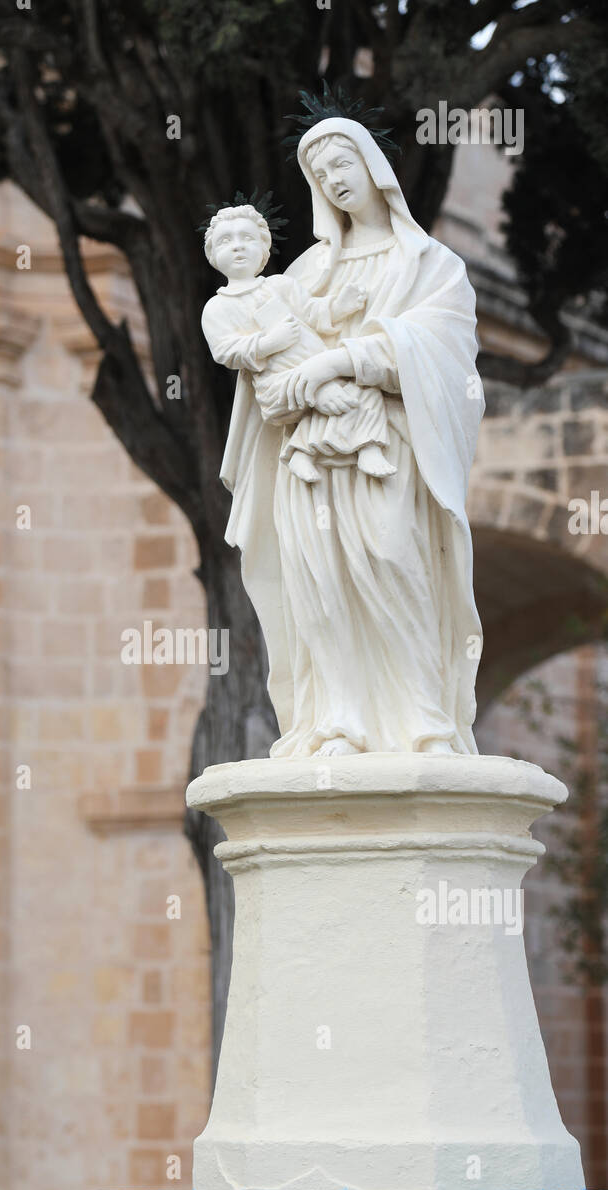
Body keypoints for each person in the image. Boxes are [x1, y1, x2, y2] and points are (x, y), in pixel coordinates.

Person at [215, 118, 484, 758]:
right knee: (319, 581)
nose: (336, 180)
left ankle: (425, 720)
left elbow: (447, 356)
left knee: (394, 559)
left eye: (344, 163)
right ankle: (338, 720)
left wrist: (340, 361)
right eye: (322, 172)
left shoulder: (430, 264)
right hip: (306, 451)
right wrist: (300, 379)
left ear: (373, 167)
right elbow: (259, 363)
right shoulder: (304, 273)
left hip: (387, 450)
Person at [201, 203, 394, 484]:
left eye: (247, 238)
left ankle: (363, 447)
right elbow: (226, 352)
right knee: (320, 399)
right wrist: (268, 343)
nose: (238, 247)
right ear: (213, 255)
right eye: (226, 241)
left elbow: (313, 313)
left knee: (364, 393)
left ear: (263, 250)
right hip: (277, 384)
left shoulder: (280, 286)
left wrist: (340, 306)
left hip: (318, 368)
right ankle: (305, 446)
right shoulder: (217, 308)